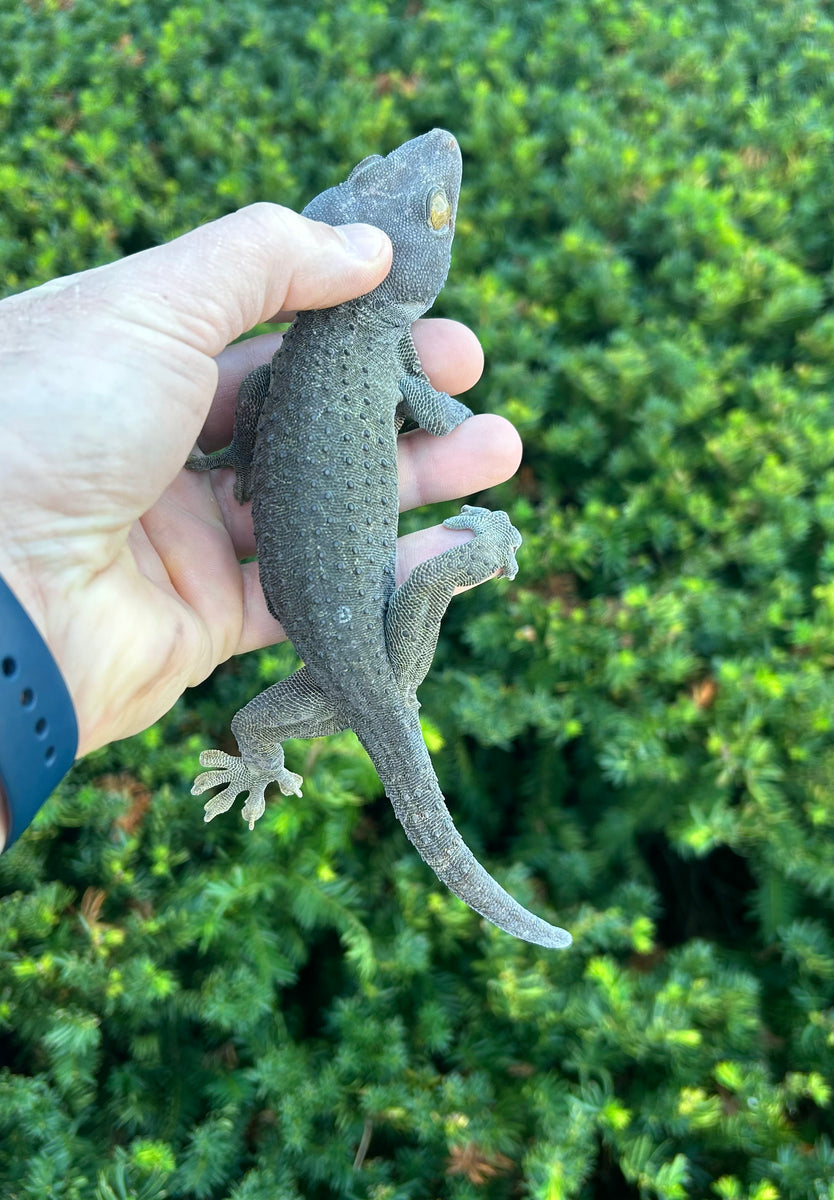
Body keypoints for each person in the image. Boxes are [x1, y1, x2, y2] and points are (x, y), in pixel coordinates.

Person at [0, 203, 522, 850]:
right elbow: (447, 424)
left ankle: (486, 548)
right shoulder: (388, 358)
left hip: (350, 652)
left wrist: (239, 455)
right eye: (439, 216)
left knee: (415, 611)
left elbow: (252, 394)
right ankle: (492, 545)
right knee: (267, 719)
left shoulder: (300, 356)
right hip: (349, 663)